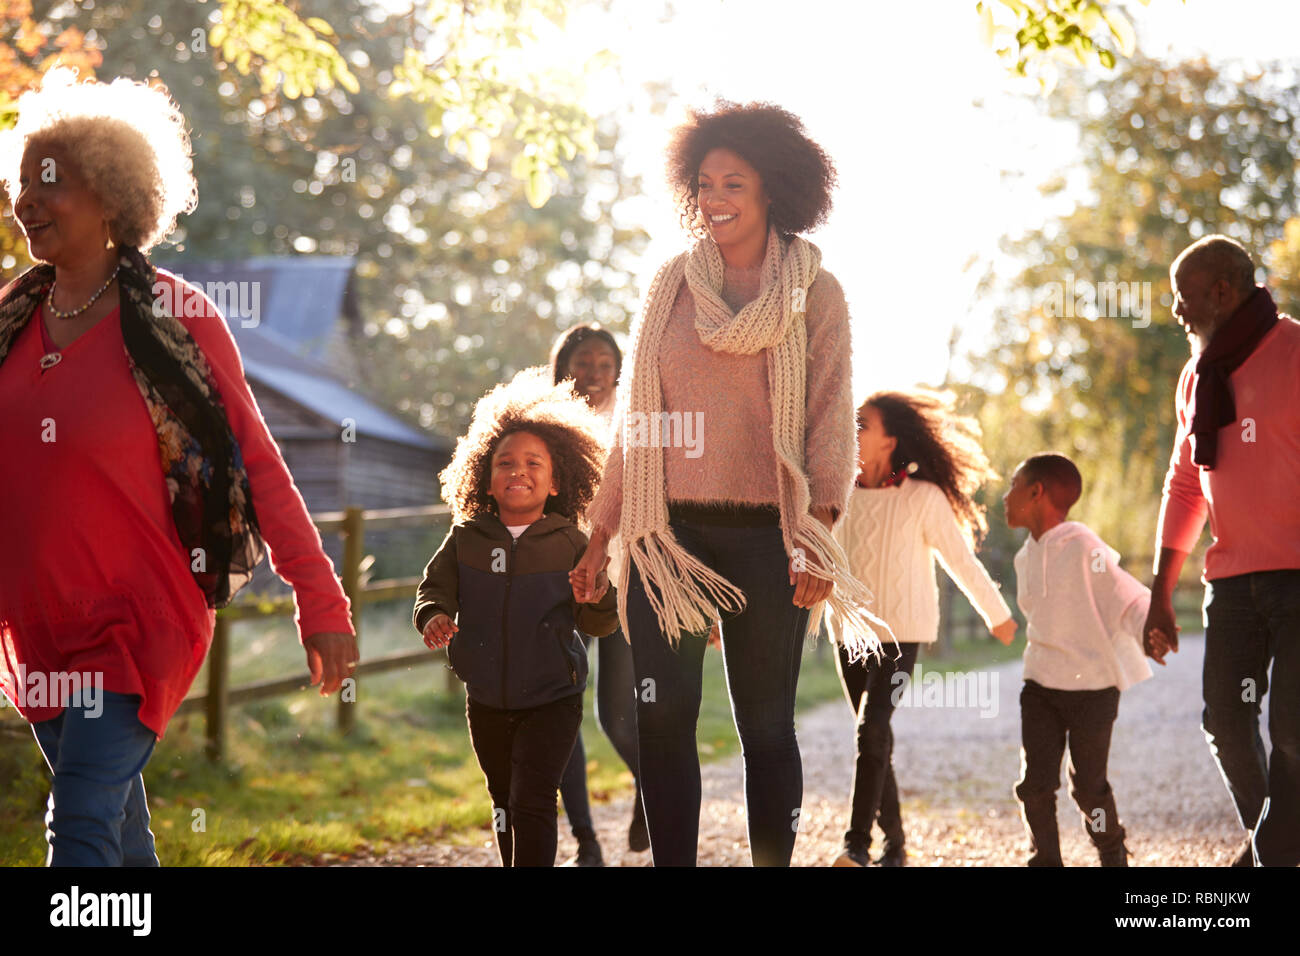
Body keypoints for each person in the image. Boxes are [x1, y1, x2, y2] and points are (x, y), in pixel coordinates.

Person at [0, 69, 358, 866]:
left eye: (50, 181)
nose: (28, 198)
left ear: (112, 196)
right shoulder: (11, 320)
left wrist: (322, 601)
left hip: (136, 621)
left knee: (80, 823)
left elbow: (258, 464)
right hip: (37, 624)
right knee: (118, 830)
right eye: (22, 179)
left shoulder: (175, 318)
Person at [570, 101, 887, 867]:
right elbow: (637, 424)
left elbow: (828, 424)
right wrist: (602, 534)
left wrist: (816, 538)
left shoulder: (818, 293)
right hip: (667, 536)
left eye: (734, 183)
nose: (715, 198)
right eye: (705, 182)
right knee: (665, 718)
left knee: (767, 725)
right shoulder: (670, 286)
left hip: (767, 539)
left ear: (772, 189)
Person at [414, 368, 619, 867]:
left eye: (533, 463)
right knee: (504, 802)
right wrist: (434, 617)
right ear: (486, 477)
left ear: (556, 482)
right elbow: (432, 591)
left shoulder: (571, 540)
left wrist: (595, 594)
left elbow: (600, 624)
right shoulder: (466, 538)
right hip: (485, 698)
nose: (518, 471)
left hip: (553, 696)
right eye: (505, 463)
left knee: (532, 800)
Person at [1144, 235, 1300, 867]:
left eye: (1184, 298)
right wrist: (1159, 594)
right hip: (1232, 584)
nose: (1177, 312)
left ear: (1222, 292)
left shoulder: (1293, 352)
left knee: (1292, 729)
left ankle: (1269, 855)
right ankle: (1278, 847)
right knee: (1229, 725)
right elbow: (1185, 485)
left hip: (1297, 579)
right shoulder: (1196, 376)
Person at [827, 390, 1017, 867]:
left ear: (890, 440)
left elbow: (960, 561)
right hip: (848, 632)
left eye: (862, 425)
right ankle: (896, 846)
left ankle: (856, 847)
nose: (852, 432)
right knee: (873, 738)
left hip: (900, 632)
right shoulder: (836, 494)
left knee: (872, 732)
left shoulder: (923, 498)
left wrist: (997, 614)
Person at [1004, 454, 1155, 867]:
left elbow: (1126, 595)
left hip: (1093, 689)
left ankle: (1111, 851)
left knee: (1088, 789)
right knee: (1034, 784)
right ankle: (1046, 859)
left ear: (1036, 492)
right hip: (1040, 686)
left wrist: (1150, 628)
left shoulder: (1085, 546)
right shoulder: (1025, 556)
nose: (1005, 495)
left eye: (1013, 485)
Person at [549, 324, 647, 865]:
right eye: (583, 361)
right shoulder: (545, 424)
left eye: (605, 362)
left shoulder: (636, 425)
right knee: (563, 711)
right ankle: (586, 842)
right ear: (563, 366)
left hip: (627, 580)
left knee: (615, 712)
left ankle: (651, 788)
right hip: (560, 583)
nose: (594, 372)